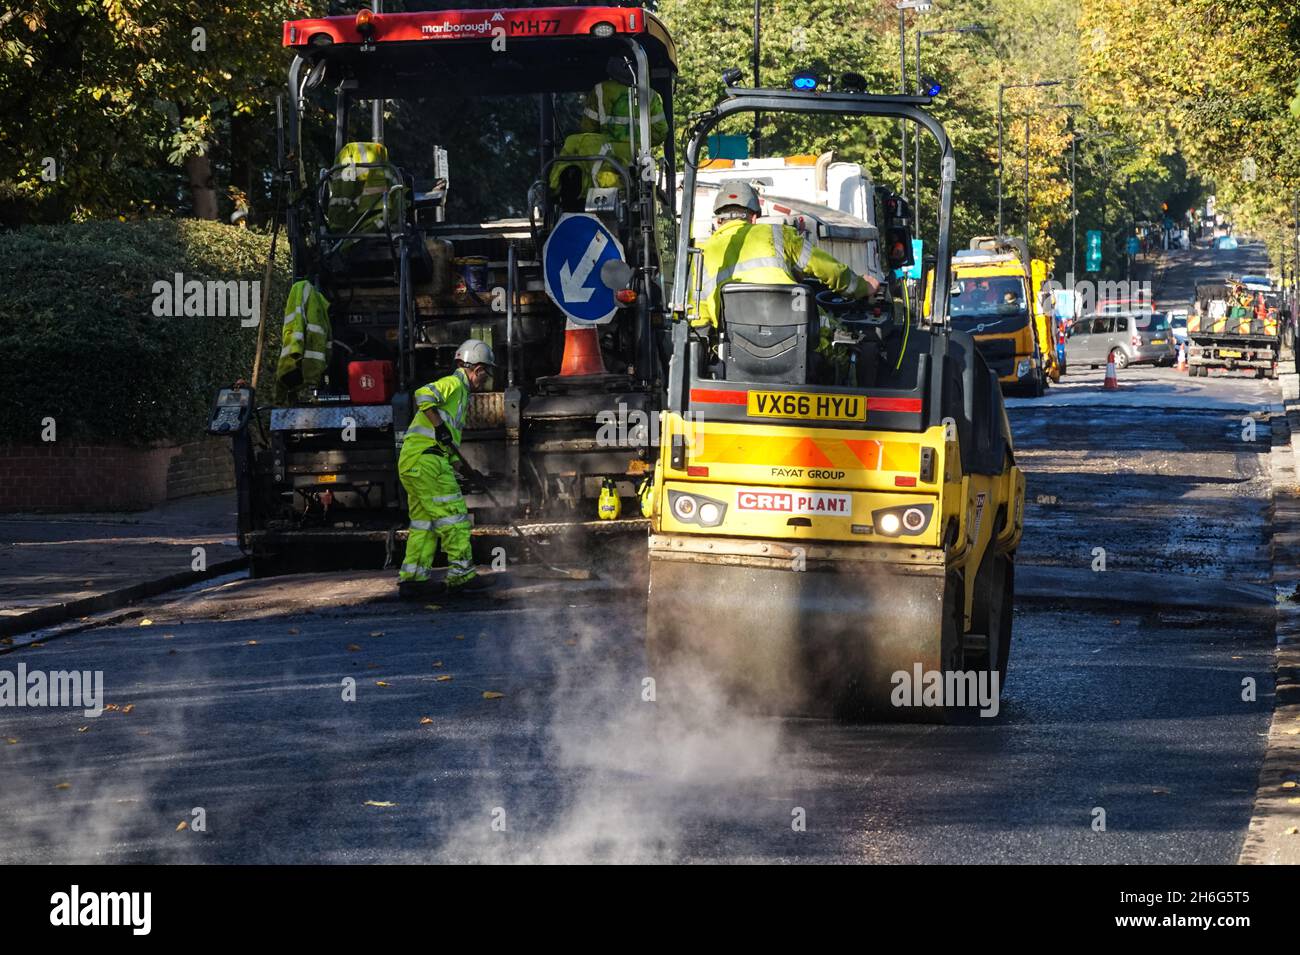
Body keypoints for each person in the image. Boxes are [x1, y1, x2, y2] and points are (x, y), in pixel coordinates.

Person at [690, 180, 879, 329]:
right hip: (794, 346)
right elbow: (827, 269)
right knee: (838, 335)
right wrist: (861, 286)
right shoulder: (779, 234)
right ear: (754, 217)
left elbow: (699, 318)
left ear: (718, 220)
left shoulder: (701, 254)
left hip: (734, 356)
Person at [396, 339, 497, 600]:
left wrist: (462, 469)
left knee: (424, 524)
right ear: (477, 369)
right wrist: (439, 426)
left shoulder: (460, 395)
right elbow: (422, 396)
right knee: (454, 518)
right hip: (427, 462)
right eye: (485, 372)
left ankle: (413, 580)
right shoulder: (454, 384)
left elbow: (446, 441)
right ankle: (461, 576)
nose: (483, 379)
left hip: (414, 461)